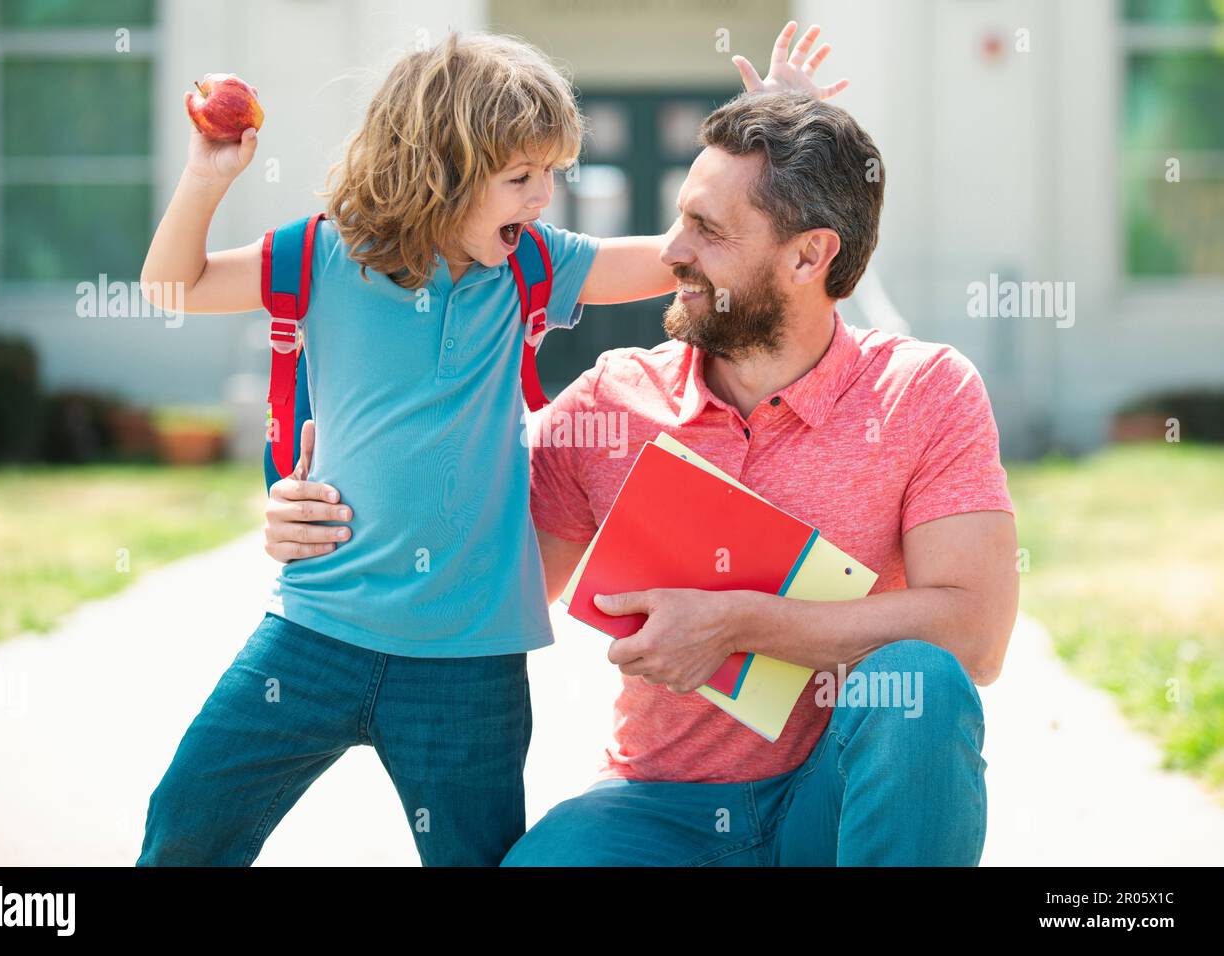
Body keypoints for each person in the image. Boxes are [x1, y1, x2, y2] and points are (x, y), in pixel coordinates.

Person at [138, 24, 848, 866]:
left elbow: (672, 258)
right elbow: (169, 285)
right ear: (439, 172)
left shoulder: (529, 268)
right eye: (521, 178)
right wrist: (205, 176)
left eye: (550, 174)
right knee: (186, 819)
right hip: (317, 631)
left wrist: (775, 124)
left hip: (468, 669)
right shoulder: (319, 256)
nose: (543, 196)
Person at [269, 90, 1018, 866]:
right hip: (657, 809)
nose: (671, 252)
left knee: (921, 681)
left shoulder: (925, 391)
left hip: (832, 809)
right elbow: (470, 575)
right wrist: (328, 521)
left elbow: (975, 634)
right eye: (681, 217)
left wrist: (734, 624)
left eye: (708, 230)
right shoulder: (611, 399)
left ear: (808, 255)